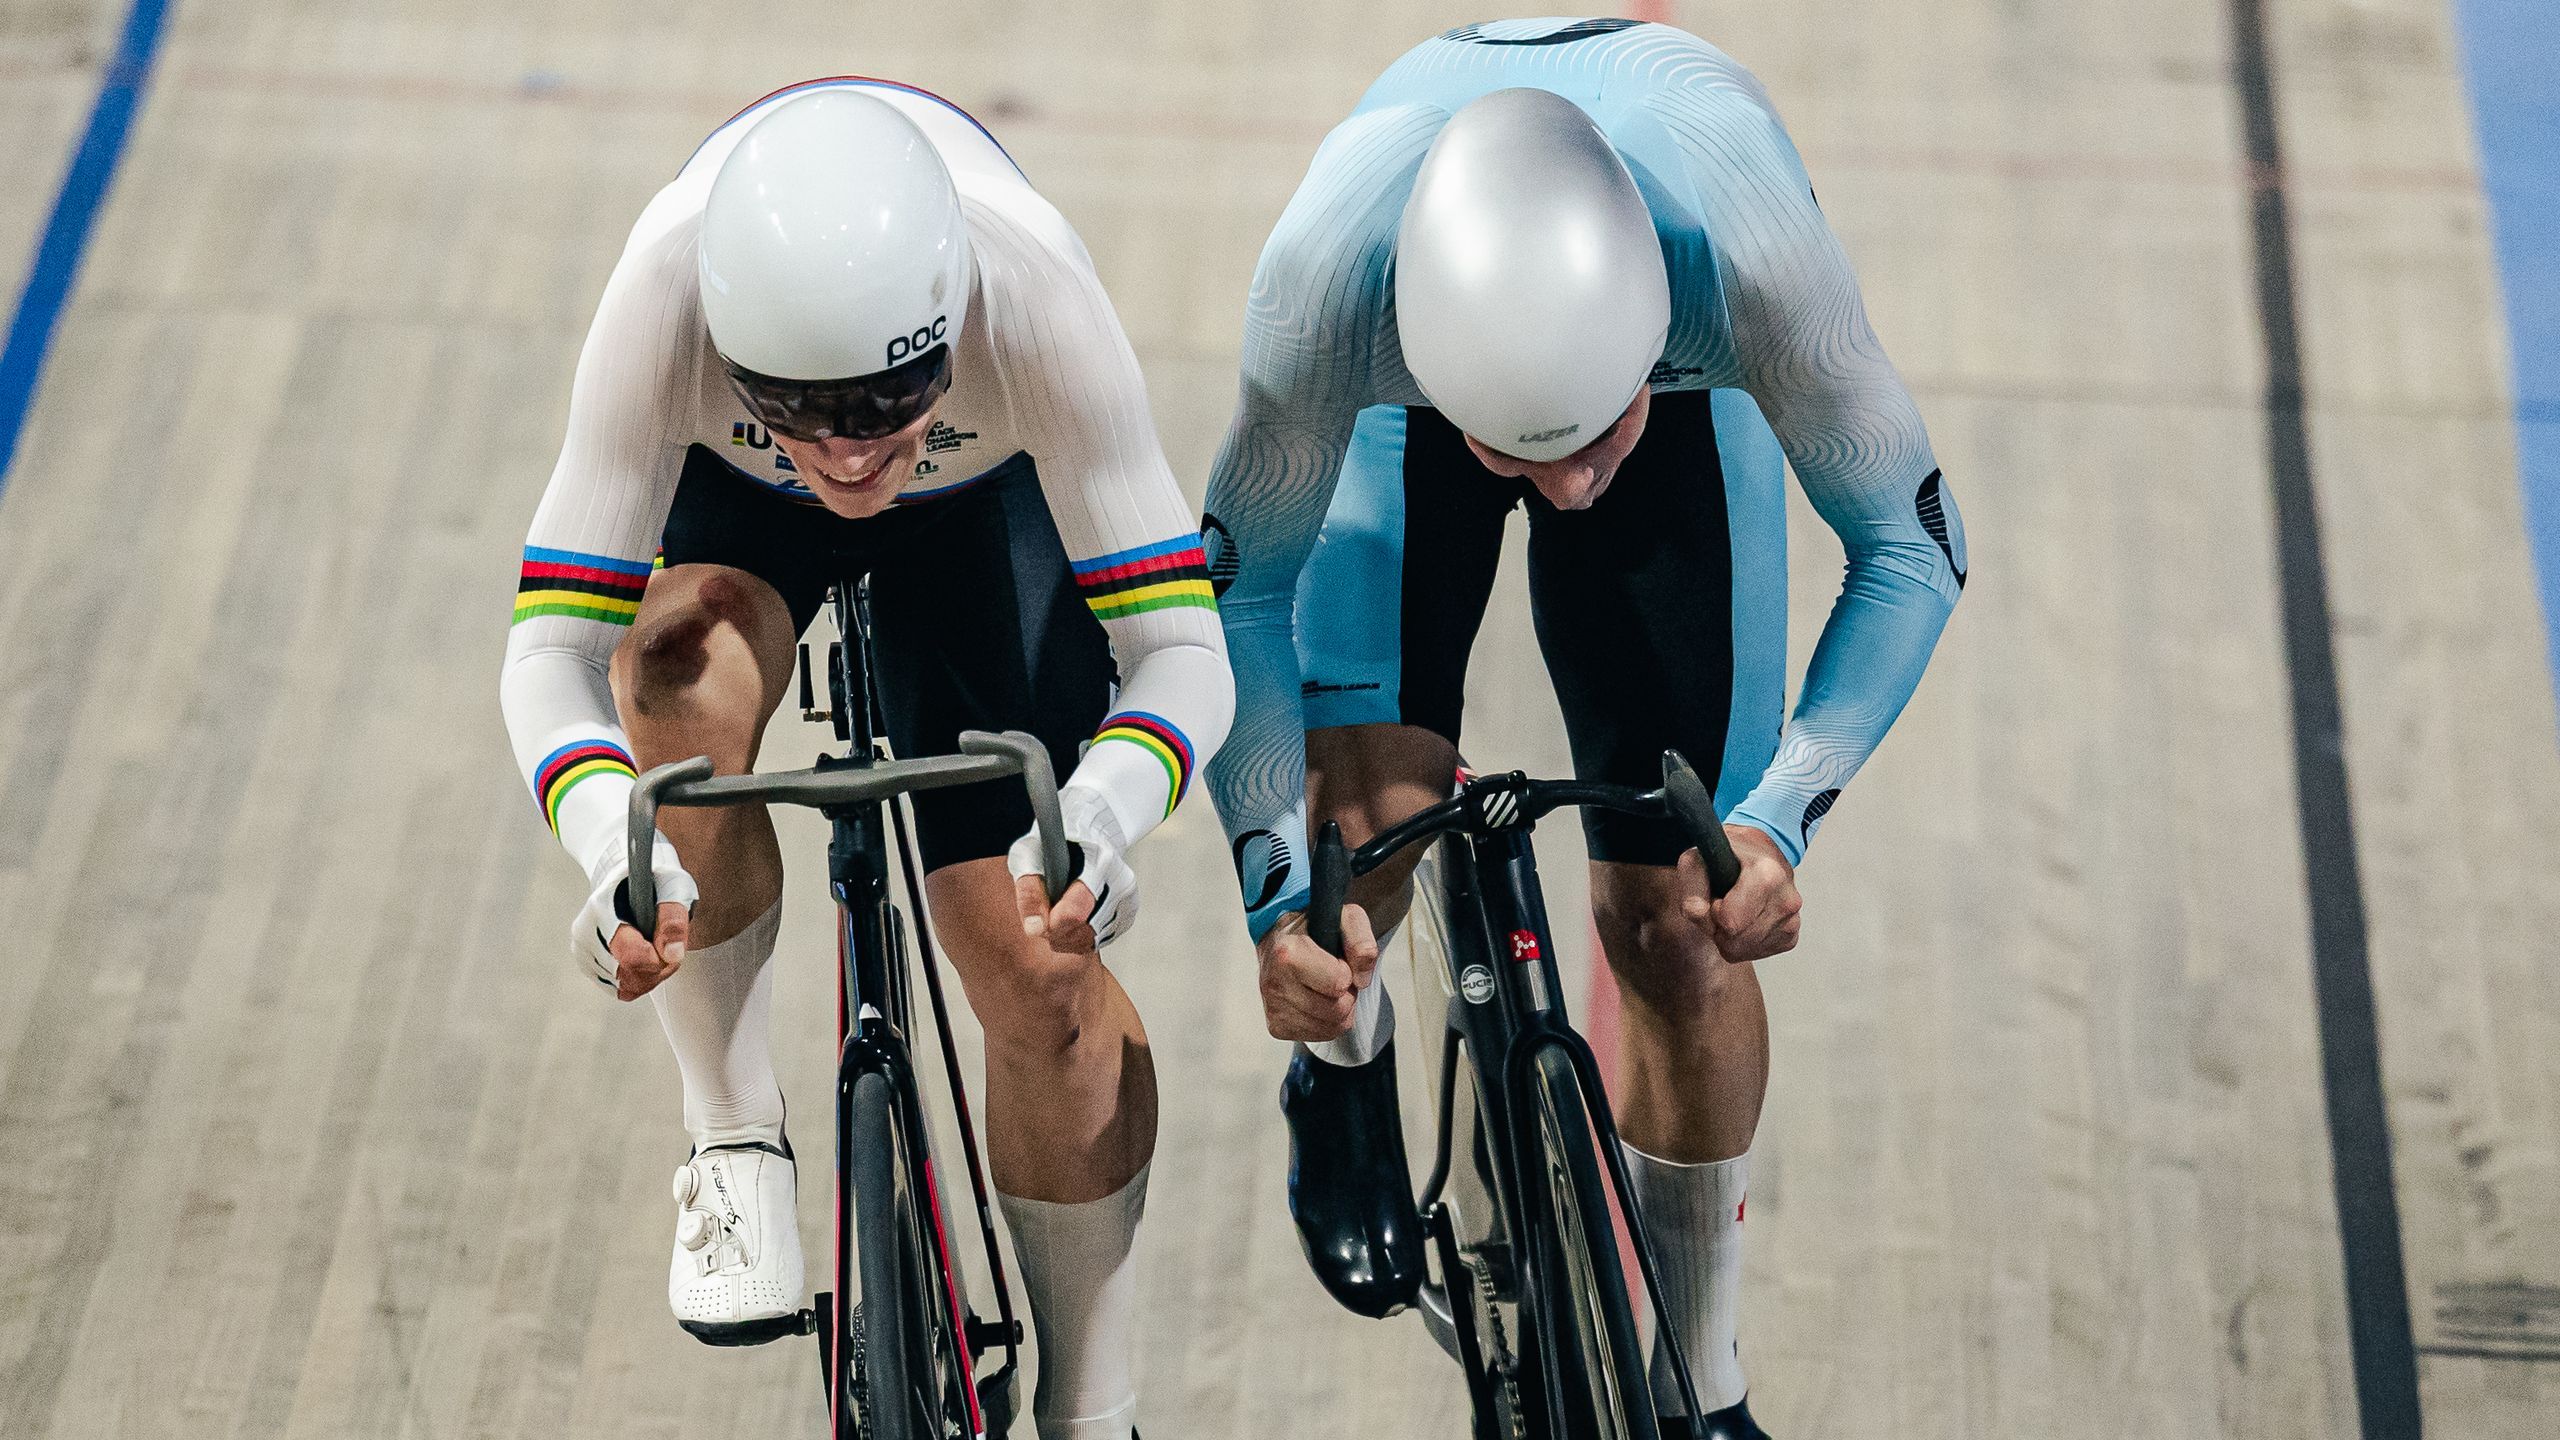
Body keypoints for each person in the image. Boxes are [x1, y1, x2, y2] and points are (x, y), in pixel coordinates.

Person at [1202, 19, 1967, 1440]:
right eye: (1522, 455)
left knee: (1687, 921)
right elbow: (1238, 599)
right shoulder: (1330, 290)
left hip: (1674, 388)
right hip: (1402, 415)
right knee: (1368, 815)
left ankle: (1706, 1382)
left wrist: (1782, 811)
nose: (1565, 490)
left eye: (1591, 439)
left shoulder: (1744, 258)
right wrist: (1273, 894)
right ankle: (1346, 1066)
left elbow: (1913, 549)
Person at [498, 79, 1230, 1440]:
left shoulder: (1036, 298)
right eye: (802, 404)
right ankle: (730, 1134)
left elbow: (1185, 654)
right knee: (667, 670)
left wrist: (1105, 817)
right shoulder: (664, 291)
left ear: (953, 320)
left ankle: (1093, 1402)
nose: (850, 449)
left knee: (1035, 972)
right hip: (738, 507)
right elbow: (547, 656)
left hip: (981, 511)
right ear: (731, 343)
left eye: (892, 395)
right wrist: (616, 848)